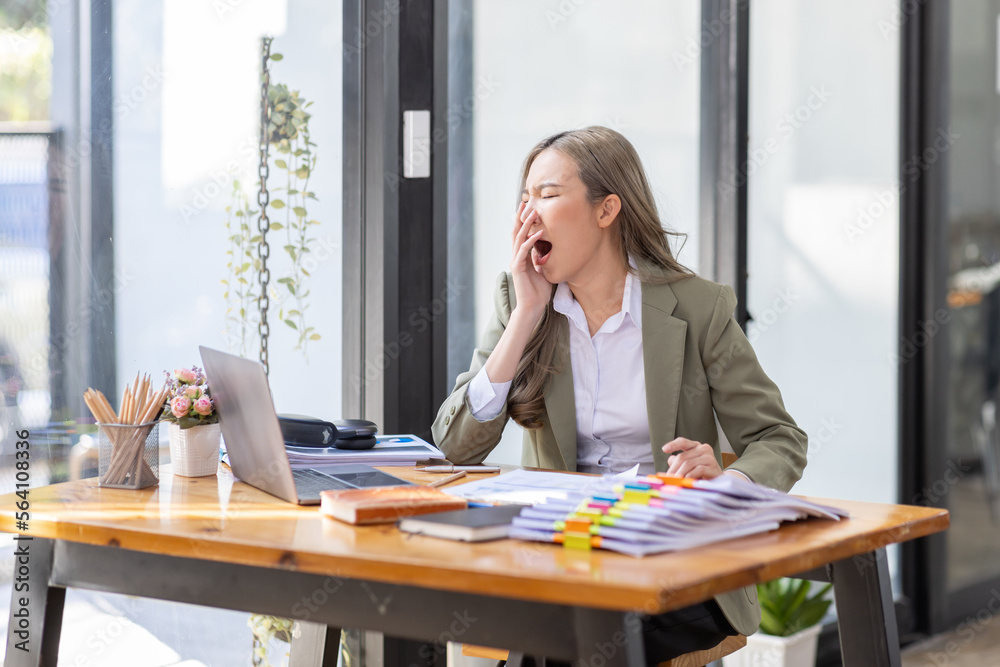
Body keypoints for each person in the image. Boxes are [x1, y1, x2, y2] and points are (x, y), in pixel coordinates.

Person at [431, 126, 808, 664]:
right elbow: (454, 447)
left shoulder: (697, 308)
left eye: (548, 194)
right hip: (559, 558)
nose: (528, 216)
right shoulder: (519, 300)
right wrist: (526, 316)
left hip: (668, 560)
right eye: (524, 198)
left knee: (578, 635)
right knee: (558, 625)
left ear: (607, 209)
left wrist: (725, 484)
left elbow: (780, 438)